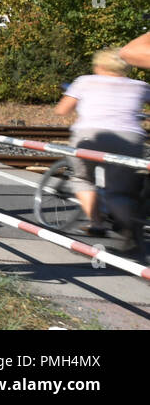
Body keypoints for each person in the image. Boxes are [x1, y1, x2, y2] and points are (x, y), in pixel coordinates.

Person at [54, 49, 150, 256]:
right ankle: (131, 229)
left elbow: (61, 110)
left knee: (82, 178)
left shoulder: (85, 81)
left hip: (90, 136)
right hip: (130, 139)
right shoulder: (141, 86)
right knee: (120, 191)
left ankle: (96, 222)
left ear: (100, 66)